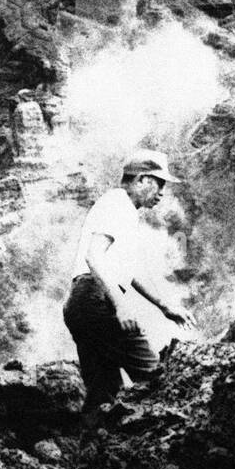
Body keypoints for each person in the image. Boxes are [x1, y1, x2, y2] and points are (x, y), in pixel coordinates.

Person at [63, 151, 195, 412]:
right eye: (160, 184)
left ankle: (92, 446)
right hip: (95, 299)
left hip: (81, 306)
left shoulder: (124, 210)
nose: (161, 193)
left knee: (103, 393)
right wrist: (121, 305)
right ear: (142, 180)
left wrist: (164, 306)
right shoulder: (117, 203)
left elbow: (131, 272)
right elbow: (94, 256)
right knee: (154, 377)